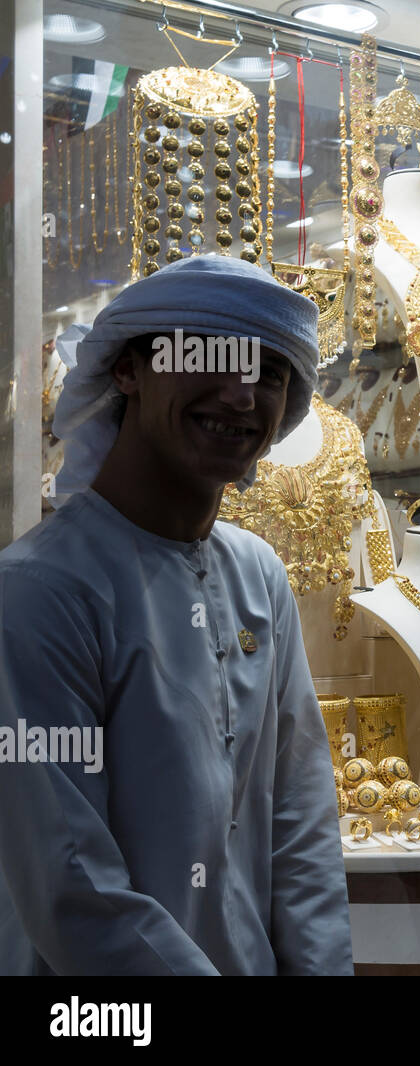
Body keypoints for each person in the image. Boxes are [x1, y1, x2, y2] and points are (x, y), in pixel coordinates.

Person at [0, 255, 353, 975]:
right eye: (208, 355)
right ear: (128, 369)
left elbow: (301, 825)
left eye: (271, 372)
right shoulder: (38, 592)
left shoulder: (259, 574)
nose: (241, 393)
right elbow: (74, 883)